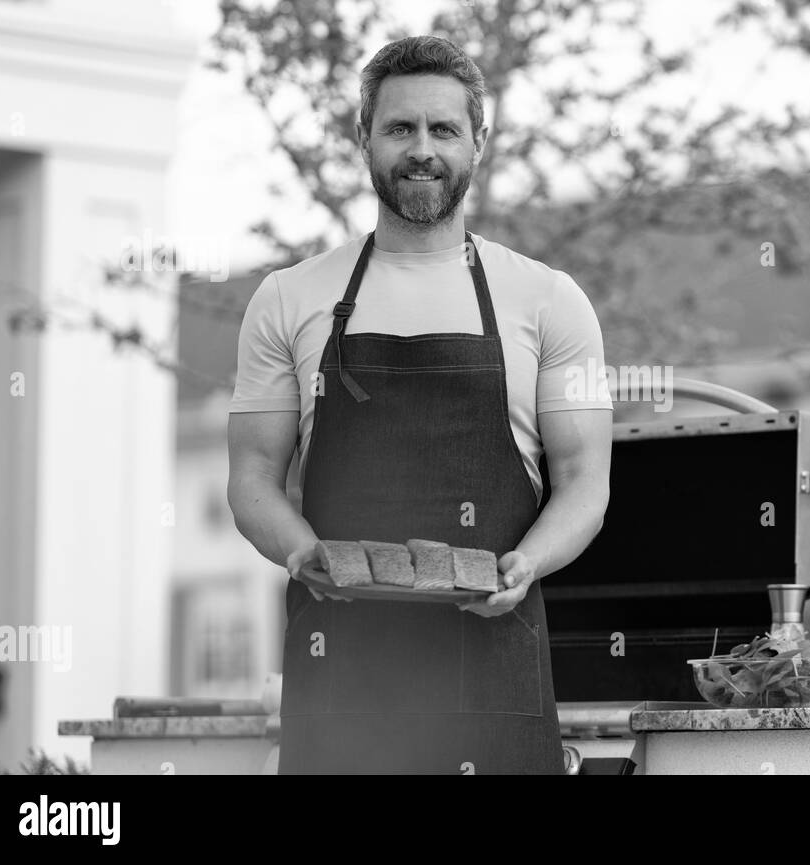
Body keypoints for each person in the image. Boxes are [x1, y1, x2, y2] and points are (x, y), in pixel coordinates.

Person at [226, 35, 613, 774]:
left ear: (478, 141)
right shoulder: (288, 298)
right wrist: (299, 549)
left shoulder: (551, 301)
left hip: (493, 671)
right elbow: (250, 480)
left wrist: (526, 564)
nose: (422, 149)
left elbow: (586, 484)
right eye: (400, 128)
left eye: (443, 129)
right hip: (341, 676)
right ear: (364, 136)